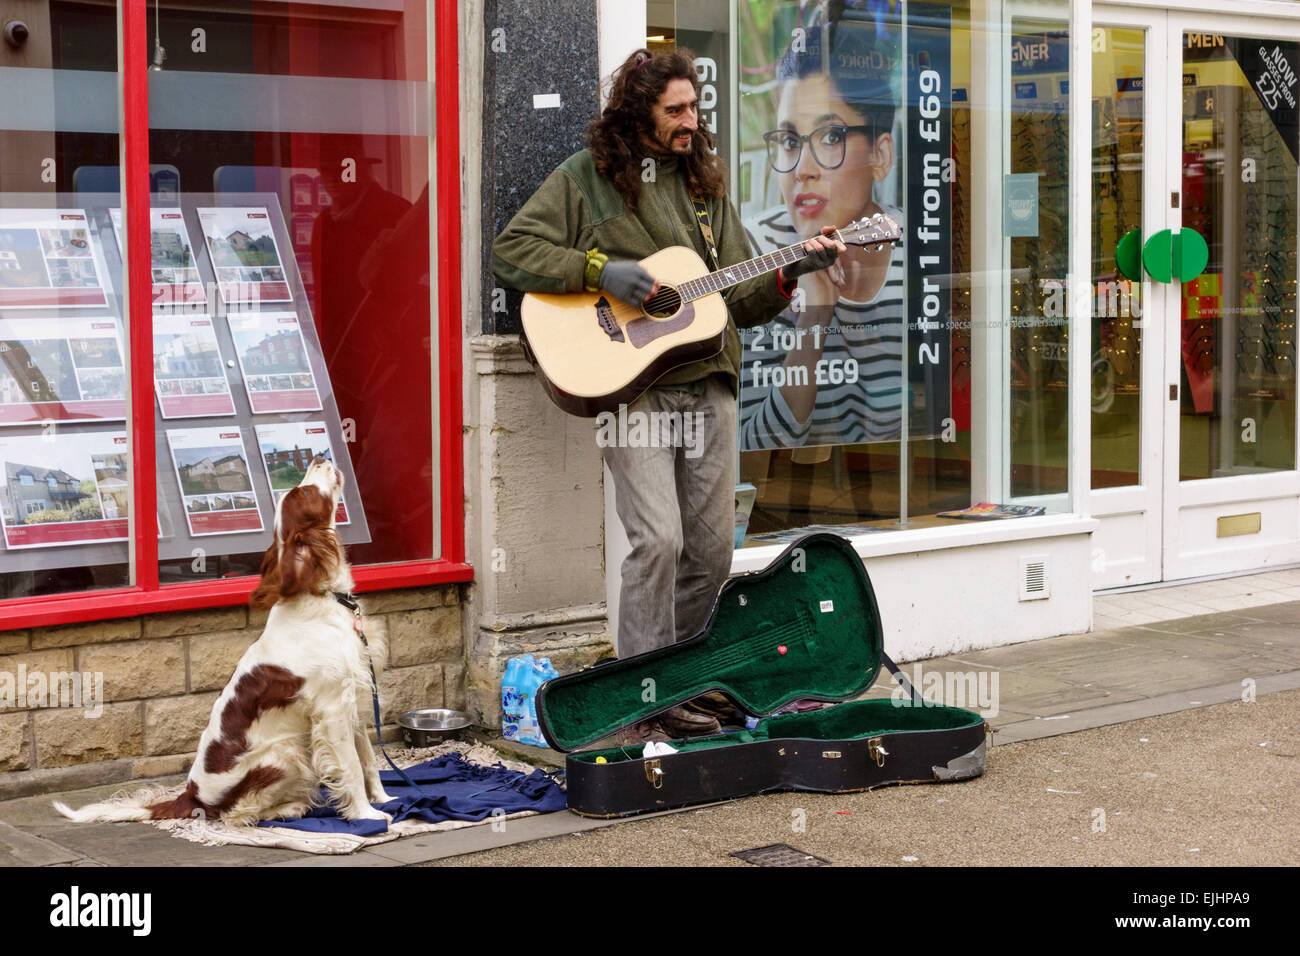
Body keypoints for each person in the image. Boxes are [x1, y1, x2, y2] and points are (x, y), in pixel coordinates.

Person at [493, 48, 844, 742]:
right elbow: (513, 250)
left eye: (695, 109)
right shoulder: (587, 180)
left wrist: (792, 271)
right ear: (640, 112)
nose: (691, 122)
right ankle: (642, 690)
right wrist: (601, 272)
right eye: (675, 110)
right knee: (657, 540)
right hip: (635, 392)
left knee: (710, 550)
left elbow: (737, 300)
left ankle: (683, 683)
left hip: (708, 382)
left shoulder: (706, 191)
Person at [739, 13, 905, 452]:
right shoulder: (756, 251)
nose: (802, 169)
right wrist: (815, 313)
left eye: (830, 136)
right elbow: (755, 444)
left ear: (881, 154)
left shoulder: (918, 249)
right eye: (790, 141)